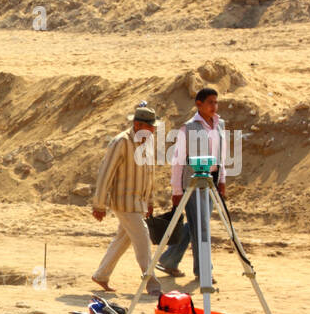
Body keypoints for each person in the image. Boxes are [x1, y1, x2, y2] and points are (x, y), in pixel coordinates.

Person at [90, 104, 163, 295]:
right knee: (142, 237)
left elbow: (149, 173)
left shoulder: (148, 142)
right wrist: (99, 204)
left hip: (138, 202)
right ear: (138, 125)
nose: (154, 130)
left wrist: (149, 201)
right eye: (150, 127)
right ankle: (152, 282)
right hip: (124, 202)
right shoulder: (121, 142)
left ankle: (101, 275)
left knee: (123, 240)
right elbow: (106, 174)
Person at [159, 87, 227, 280]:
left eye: (216, 102)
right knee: (202, 227)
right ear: (199, 105)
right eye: (210, 102)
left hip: (211, 180)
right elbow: (178, 160)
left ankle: (169, 260)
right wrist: (177, 189)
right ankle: (204, 272)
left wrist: (222, 179)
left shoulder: (219, 124)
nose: (214, 106)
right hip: (193, 182)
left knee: (198, 224)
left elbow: (221, 155)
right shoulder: (187, 128)